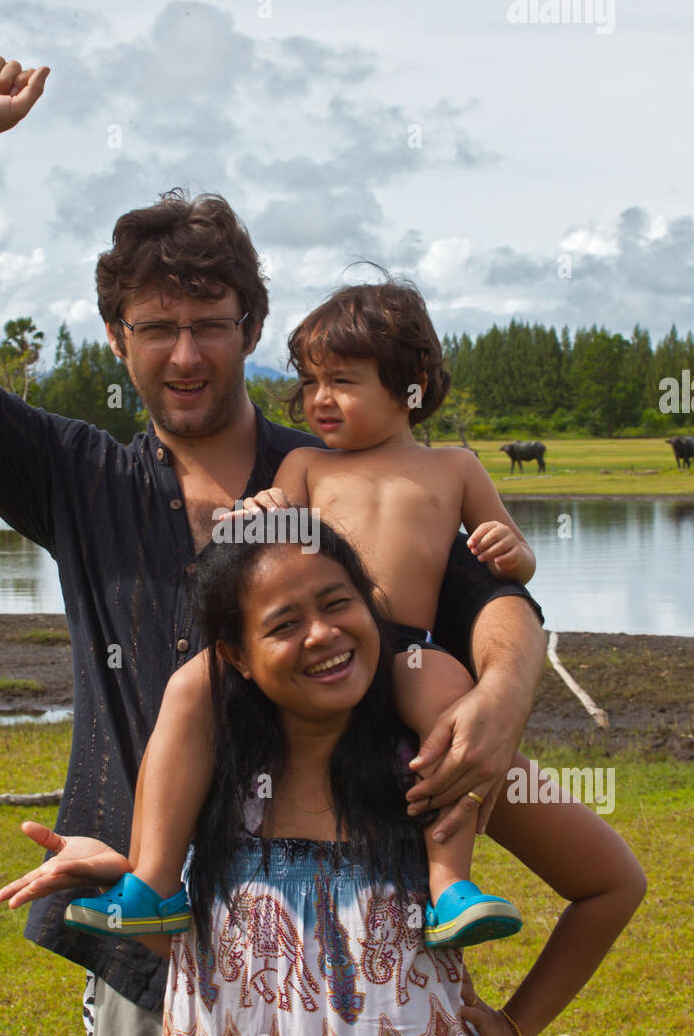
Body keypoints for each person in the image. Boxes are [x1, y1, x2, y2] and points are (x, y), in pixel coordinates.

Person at [0, 53, 547, 1036]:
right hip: (152, 932)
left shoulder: (342, 469)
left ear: (251, 327)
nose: (185, 352)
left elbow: (492, 606)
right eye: (154, 325)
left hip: (350, 924)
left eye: (212, 323)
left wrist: (508, 690)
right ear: (118, 340)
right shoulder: (75, 478)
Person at [0, 525, 646, 1036]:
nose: (323, 634)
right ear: (237, 656)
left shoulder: (442, 762)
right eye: (284, 625)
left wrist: (517, 1024)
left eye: (338, 603)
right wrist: (118, 872)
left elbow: (611, 884)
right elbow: (237, 961)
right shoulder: (214, 775)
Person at [82, 278, 536, 950]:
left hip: (407, 648)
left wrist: (513, 550)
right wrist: (256, 514)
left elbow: (510, 573)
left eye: (342, 382)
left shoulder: (456, 468)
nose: (319, 400)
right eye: (310, 382)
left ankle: (449, 888)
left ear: (411, 381)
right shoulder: (306, 465)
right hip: (318, 643)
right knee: (188, 686)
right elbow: (251, 548)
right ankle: (152, 881)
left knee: (456, 709)